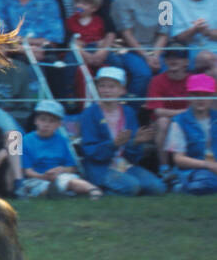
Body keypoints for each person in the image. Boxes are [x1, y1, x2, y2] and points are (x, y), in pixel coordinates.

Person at [77, 66, 164, 195]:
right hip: (101, 167)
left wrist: (136, 142)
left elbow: (132, 154)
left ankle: (109, 189)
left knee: (157, 187)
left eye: (112, 87)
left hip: (124, 164)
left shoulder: (128, 112)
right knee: (132, 187)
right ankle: (98, 188)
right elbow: (90, 151)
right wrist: (113, 145)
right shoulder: (89, 114)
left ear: (122, 90)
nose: (106, 90)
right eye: (102, 86)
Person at [18, 100, 102, 199]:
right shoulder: (26, 141)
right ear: (36, 121)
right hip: (36, 177)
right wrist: (43, 176)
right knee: (39, 187)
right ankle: (54, 191)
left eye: (51, 121)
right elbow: (27, 171)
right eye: (43, 120)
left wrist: (61, 170)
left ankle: (93, 190)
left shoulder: (62, 140)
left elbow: (72, 167)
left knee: (70, 180)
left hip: (59, 176)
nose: (46, 124)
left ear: (59, 124)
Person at [110, 0, 169, 96]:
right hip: (130, 50)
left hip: (155, 49)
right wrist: (147, 57)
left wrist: (154, 55)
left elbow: (163, 34)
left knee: (168, 71)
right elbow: (126, 33)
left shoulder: (165, 0)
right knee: (143, 73)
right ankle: (134, 110)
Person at [162, 73, 217, 193]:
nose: (201, 99)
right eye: (196, 94)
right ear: (189, 96)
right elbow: (178, 159)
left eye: (205, 95)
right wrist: (208, 165)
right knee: (206, 181)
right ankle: (180, 185)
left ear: (212, 97)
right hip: (193, 170)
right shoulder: (179, 122)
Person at [169, 0, 217, 74]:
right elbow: (174, 38)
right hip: (190, 52)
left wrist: (208, 32)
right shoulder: (170, 1)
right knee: (207, 58)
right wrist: (194, 30)